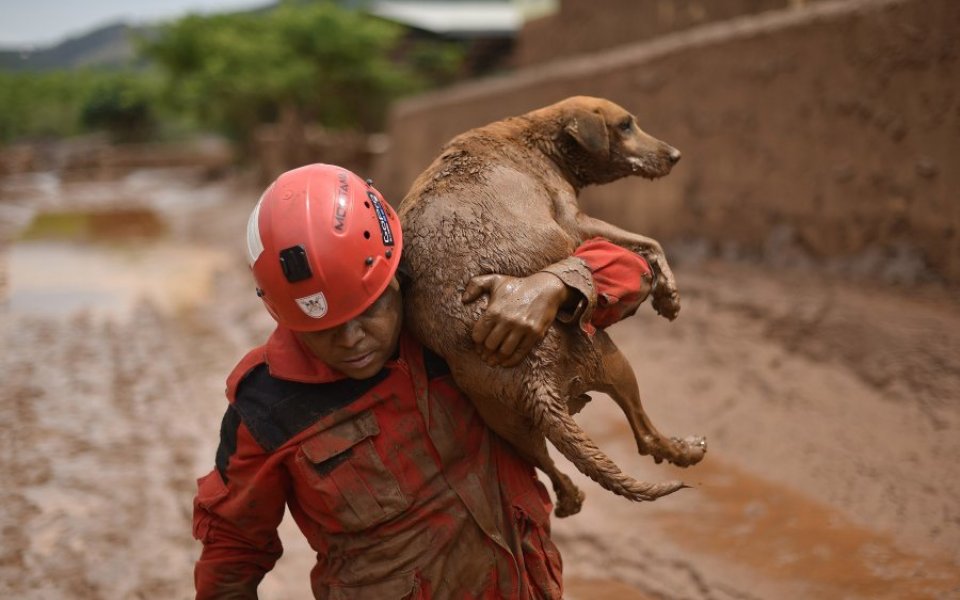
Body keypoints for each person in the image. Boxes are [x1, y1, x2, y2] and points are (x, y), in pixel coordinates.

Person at [192, 163, 655, 599]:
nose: (354, 340)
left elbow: (634, 266)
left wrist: (554, 284)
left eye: (369, 309)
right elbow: (233, 551)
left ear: (395, 270)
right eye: (323, 330)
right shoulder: (267, 408)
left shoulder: (458, 310)